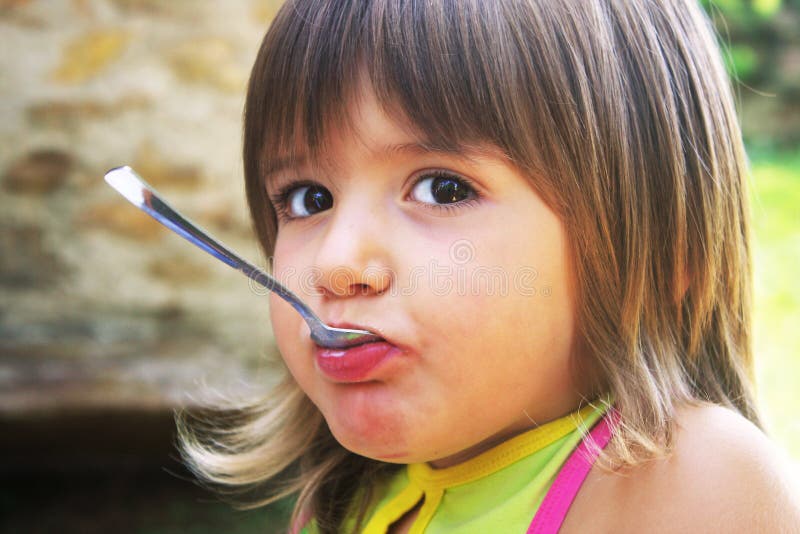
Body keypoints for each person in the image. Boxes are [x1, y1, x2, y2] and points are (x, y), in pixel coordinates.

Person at [178, 0, 800, 532]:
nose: (336, 264)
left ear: (661, 248)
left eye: (443, 189)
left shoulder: (689, 478)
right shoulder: (346, 504)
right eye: (308, 198)